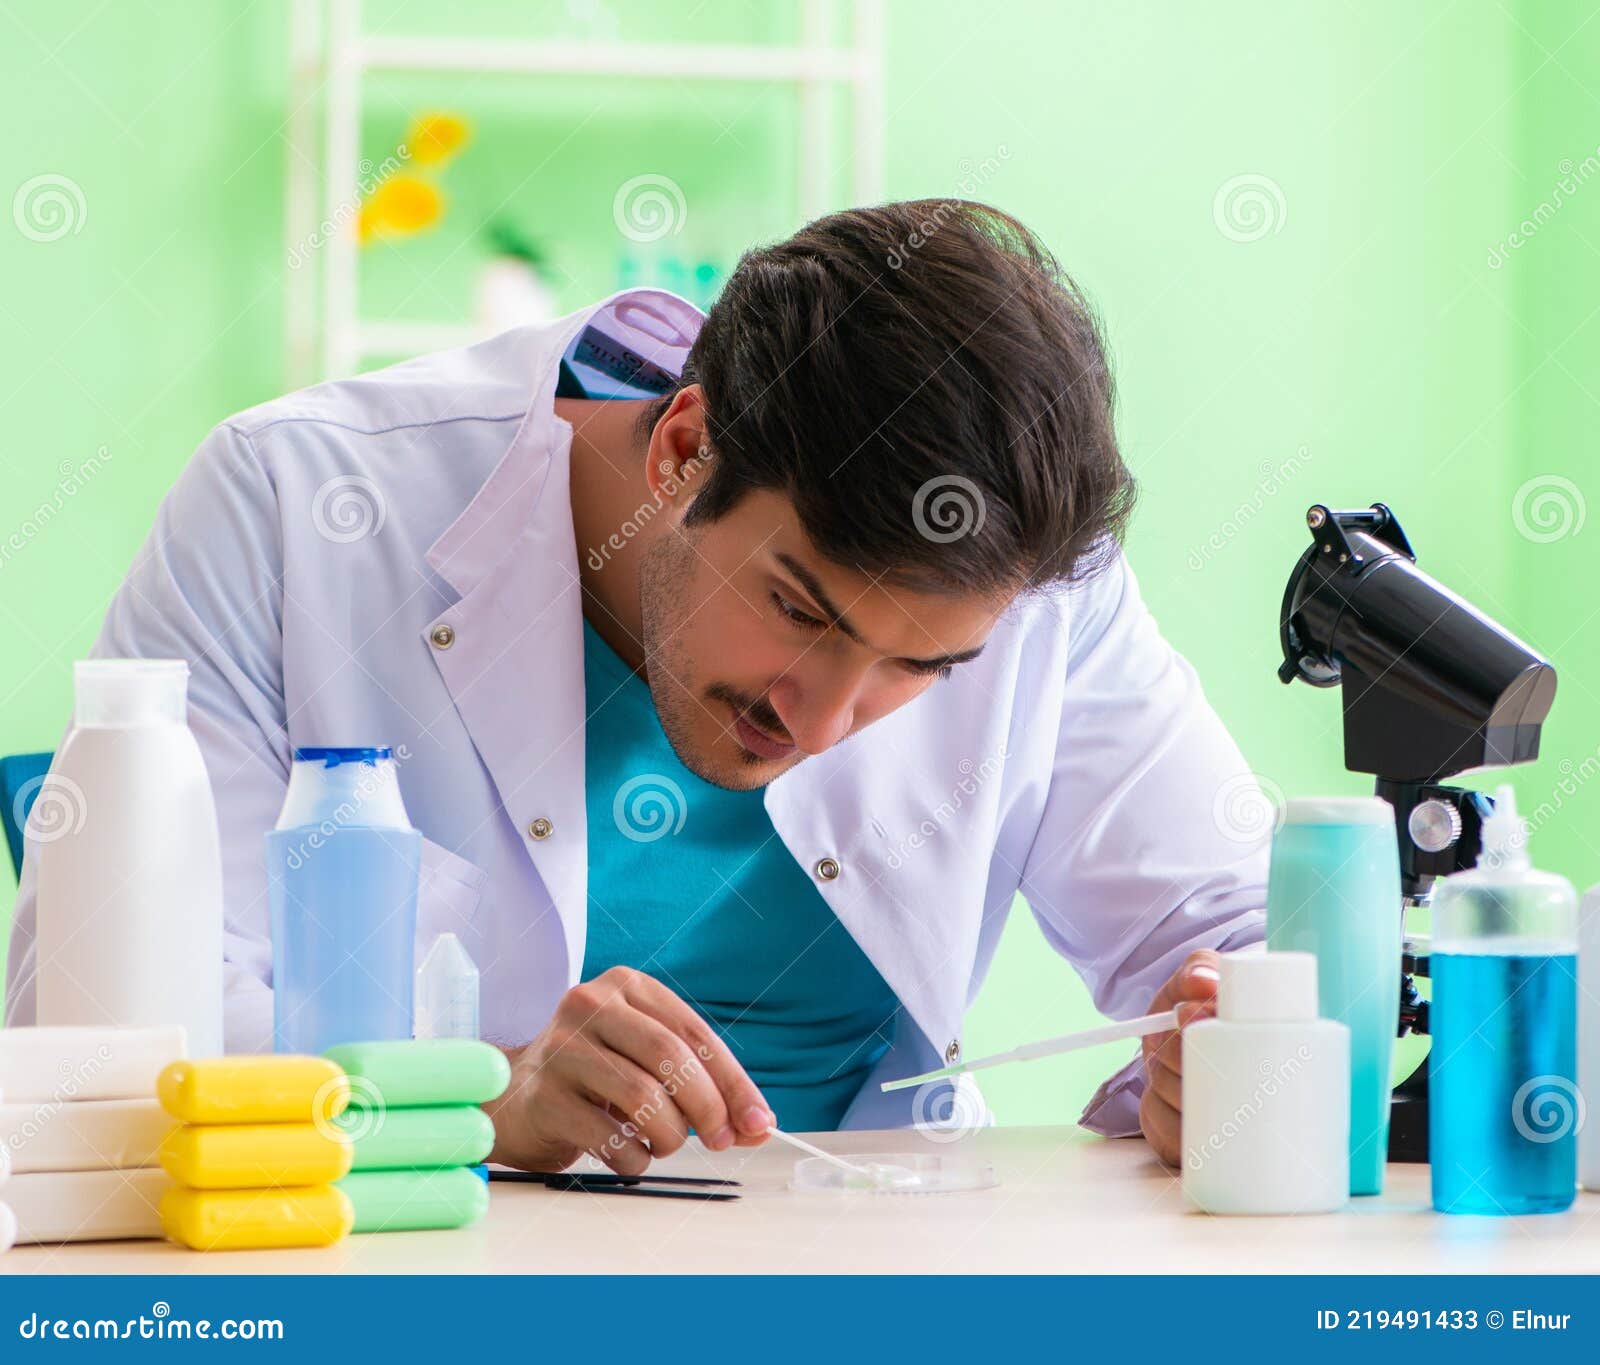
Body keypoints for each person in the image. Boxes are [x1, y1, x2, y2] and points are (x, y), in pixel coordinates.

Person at [5, 201, 1267, 1173]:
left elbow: (1240, 935)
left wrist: (1213, 1069)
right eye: (797, 610)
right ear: (680, 450)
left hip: (860, 1262)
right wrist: (479, 1093)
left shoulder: (1039, 585)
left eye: (918, 670)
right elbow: (94, 1023)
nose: (822, 722)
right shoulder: (296, 505)